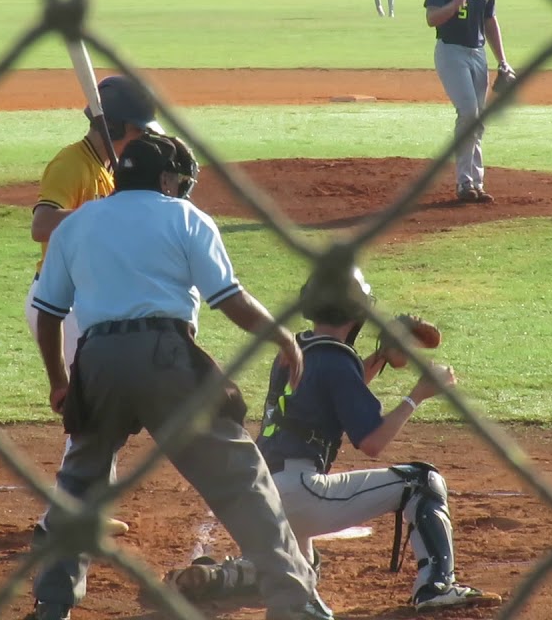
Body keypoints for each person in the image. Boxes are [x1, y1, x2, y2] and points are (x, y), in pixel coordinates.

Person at [27, 133, 334, 620]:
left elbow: (47, 313)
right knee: (241, 479)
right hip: (164, 356)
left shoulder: (77, 224)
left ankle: (52, 604)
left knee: (81, 485)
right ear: (166, 178)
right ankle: (297, 604)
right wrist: (282, 337)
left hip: (98, 359)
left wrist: (59, 380)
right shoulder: (186, 218)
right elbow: (228, 299)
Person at [162, 268, 502, 612]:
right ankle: (437, 586)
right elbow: (372, 442)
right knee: (423, 482)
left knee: (301, 572)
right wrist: (419, 394)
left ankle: (223, 579)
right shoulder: (337, 362)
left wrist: (382, 356)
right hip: (302, 492)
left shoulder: (295, 350)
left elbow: (335, 389)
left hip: (261, 494)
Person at [24, 74, 162, 537]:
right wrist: (99, 214)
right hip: (61, 306)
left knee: (102, 407)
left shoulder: (107, 166)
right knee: (94, 410)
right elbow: (42, 224)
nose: (145, 139)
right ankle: (60, 519)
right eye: (140, 130)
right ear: (118, 125)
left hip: (86, 304)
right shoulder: (73, 165)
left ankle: (87, 507)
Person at [423, 0, 513, 204]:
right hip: (451, 52)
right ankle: (464, 183)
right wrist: (453, 5)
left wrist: (502, 61)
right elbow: (431, 19)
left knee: (477, 120)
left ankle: (475, 183)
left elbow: (489, 23)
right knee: (468, 112)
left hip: (478, 54)